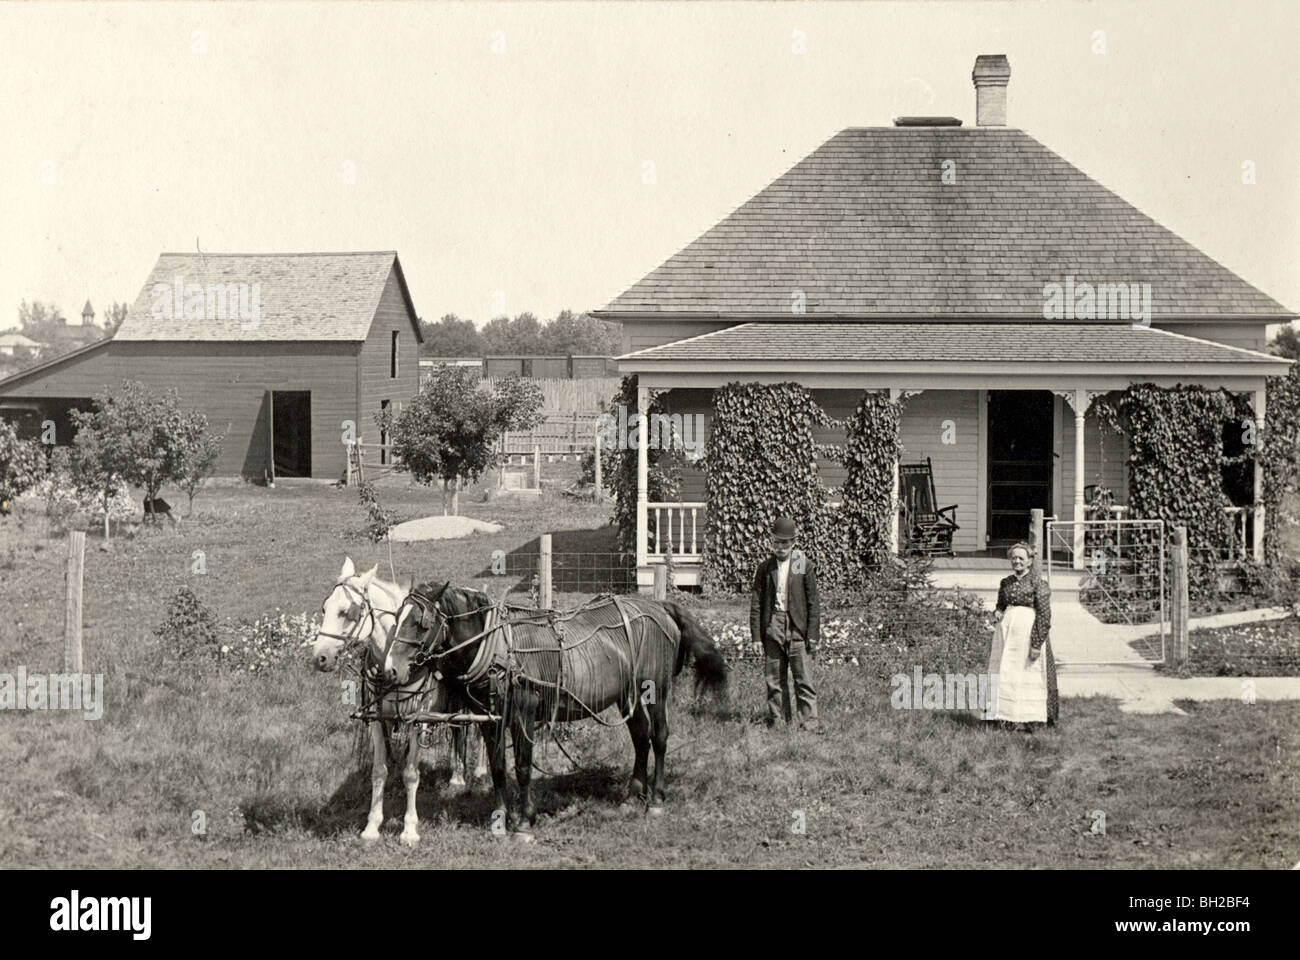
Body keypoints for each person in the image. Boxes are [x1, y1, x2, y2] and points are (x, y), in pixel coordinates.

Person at [750, 516, 822, 732]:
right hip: (773, 624)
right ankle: (780, 722)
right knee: (773, 679)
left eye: (785, 543)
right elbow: (756, 603)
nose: (780, 547)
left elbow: (813, 602)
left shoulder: (801, 564)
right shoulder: (766, 568)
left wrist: (812, 634)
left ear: (794, 543)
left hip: (797, 626)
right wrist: (756, 636)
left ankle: (810, 723)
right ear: (771, 542)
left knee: (803, 678)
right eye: (776, 542)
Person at [985, 541, 1058, 728]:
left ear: (1029, 561)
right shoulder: (1006, 582)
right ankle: (1005, 717)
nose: (1016, 561)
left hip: (1028, 635)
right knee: (1007, 672)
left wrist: (1036, 643)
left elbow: (1044, 615)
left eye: (1021, 558)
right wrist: (997, 614)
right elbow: (1001, 604)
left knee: (1029, 674)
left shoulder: (1038, 584)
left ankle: (1031, 719)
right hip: (1007, 637)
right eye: (1013, 558)